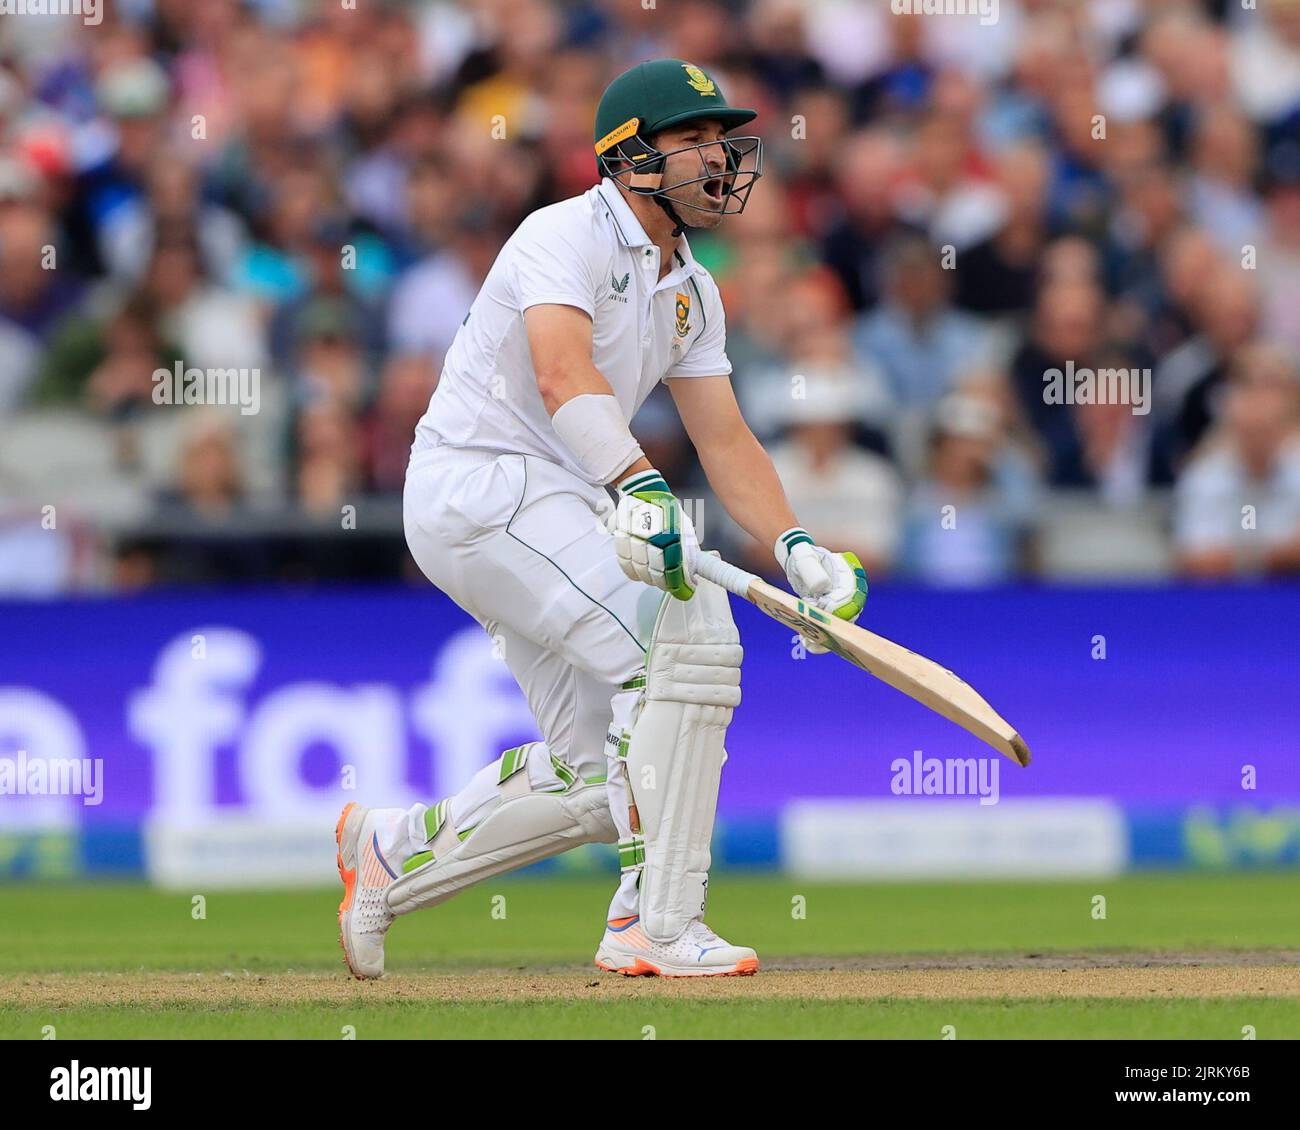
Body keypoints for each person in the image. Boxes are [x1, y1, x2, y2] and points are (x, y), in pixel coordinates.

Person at [334, 60, 866, 979]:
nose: (717, 159)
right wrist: (639, 484)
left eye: (720, 141)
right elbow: (561, 374)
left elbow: (728, 439)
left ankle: (391, 855)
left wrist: (796, 546)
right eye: (692, 140)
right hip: (481, 486)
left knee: (598, 778)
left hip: (559, 499)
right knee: (681, 646)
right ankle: (653, 923)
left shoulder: (693, 288)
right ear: (629, 158)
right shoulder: (559, 235)